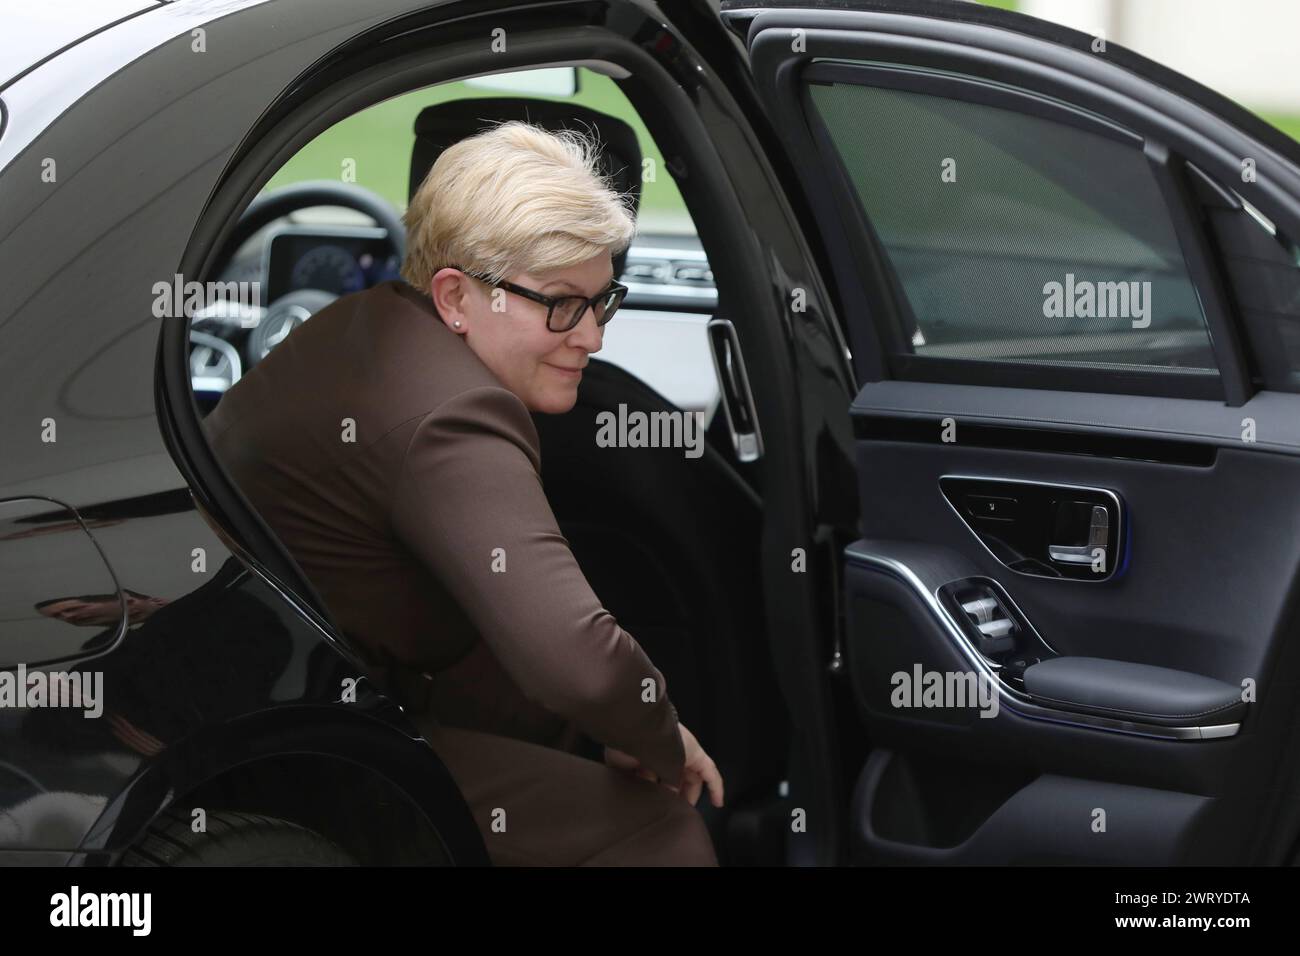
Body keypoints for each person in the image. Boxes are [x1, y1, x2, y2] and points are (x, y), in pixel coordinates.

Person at [201, 120, 723, 865]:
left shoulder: (361, 323)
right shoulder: (454, 415)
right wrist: (662, 734)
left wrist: (604, 727)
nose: (593, 338)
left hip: (258, 696)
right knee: (661, 831)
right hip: (286, 755)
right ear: (454, 295)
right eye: (561, 305)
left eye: (603, 301)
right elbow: (578, 659)